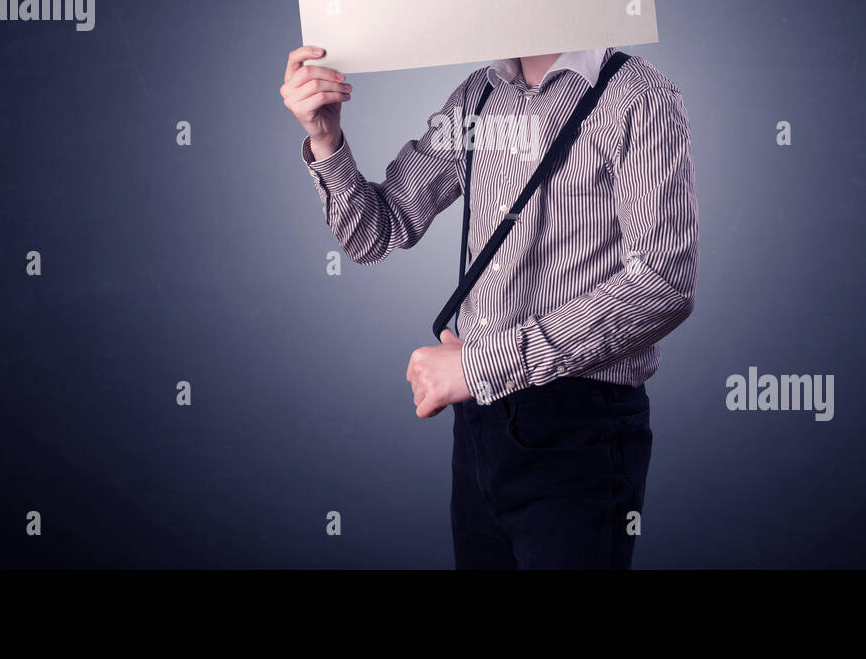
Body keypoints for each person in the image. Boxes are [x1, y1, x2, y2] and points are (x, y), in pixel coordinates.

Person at [282, 43, 698, 568]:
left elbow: (663, 284)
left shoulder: (639, 95)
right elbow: (377, 231)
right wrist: (325, 139)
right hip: (479, 427)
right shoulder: (477, 97)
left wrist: (479, 366)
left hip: (582, 428)